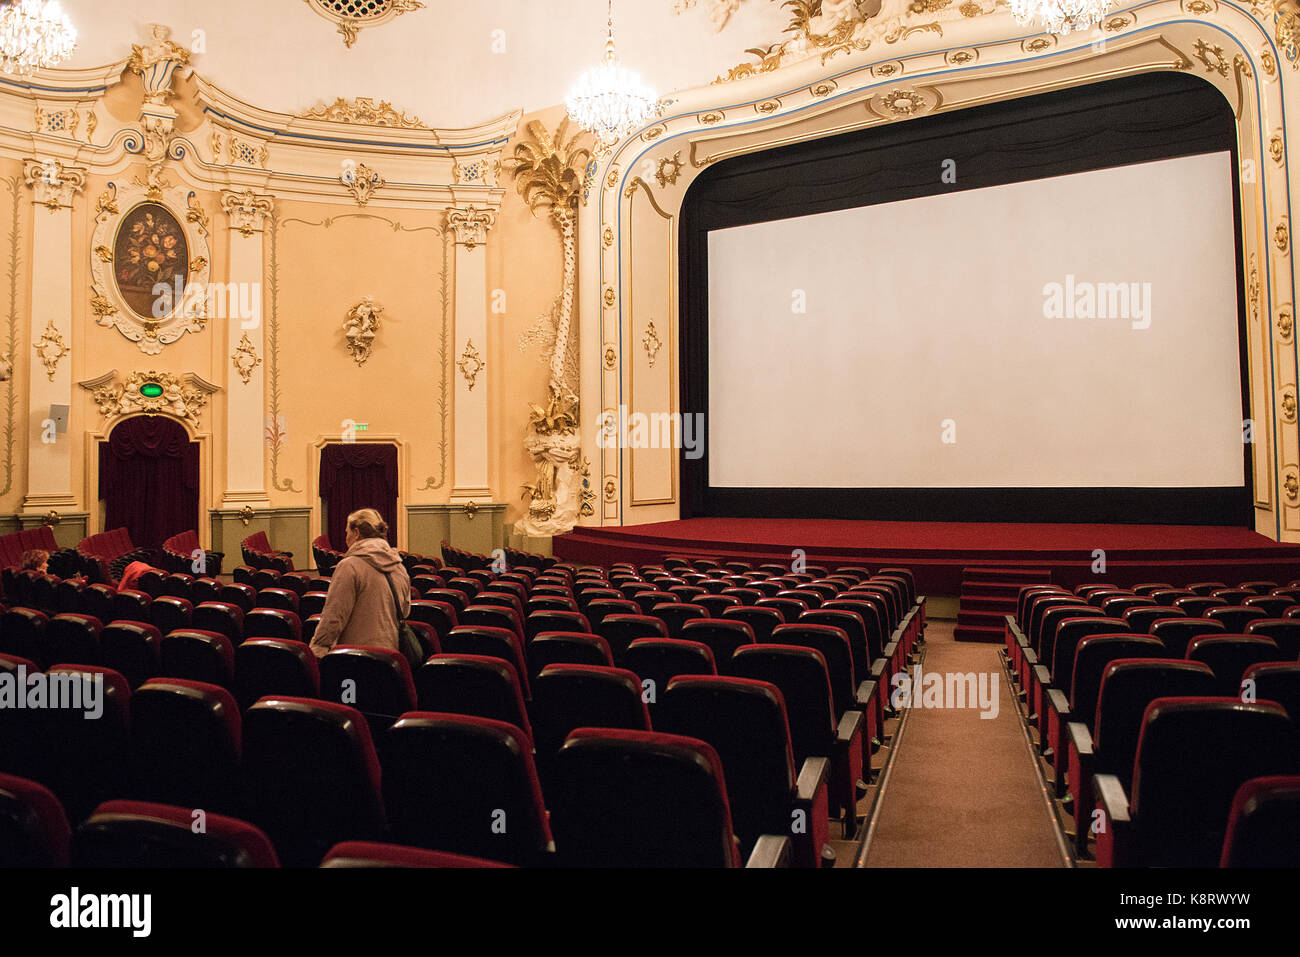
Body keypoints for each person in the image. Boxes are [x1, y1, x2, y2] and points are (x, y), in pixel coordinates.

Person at [309, 508, 410, 659]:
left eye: (347, 532)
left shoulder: (349, 566)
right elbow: (405, 610)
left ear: (356, 533)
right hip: (390, 657)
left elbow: (334, 616)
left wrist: (318, 649)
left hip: (356, 656)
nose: (346, 537)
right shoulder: (399, 566)